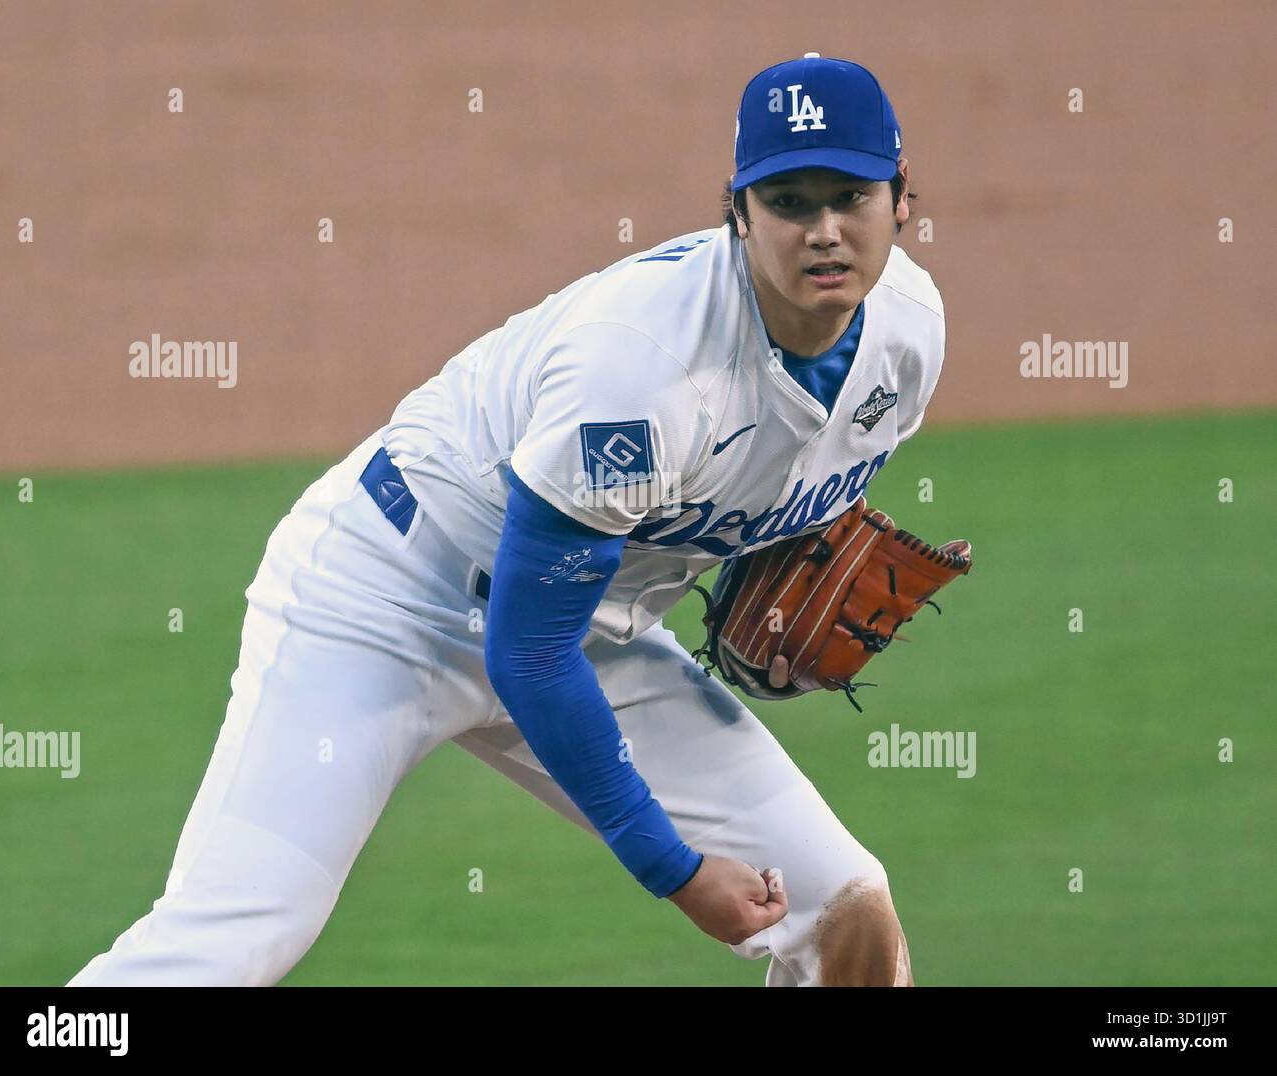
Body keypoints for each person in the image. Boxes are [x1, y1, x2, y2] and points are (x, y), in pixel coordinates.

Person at [69, 52, 941, 987]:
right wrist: (674, 869)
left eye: (849, 195)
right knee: (239, 935)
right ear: (737, 212)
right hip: (385, 599)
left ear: (901, 199)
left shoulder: (908, 334)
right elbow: (527, 656)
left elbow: (779, 479)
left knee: (848, 907)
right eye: (788, 201)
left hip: (582, 630)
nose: (824, 231)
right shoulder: (642, 368)